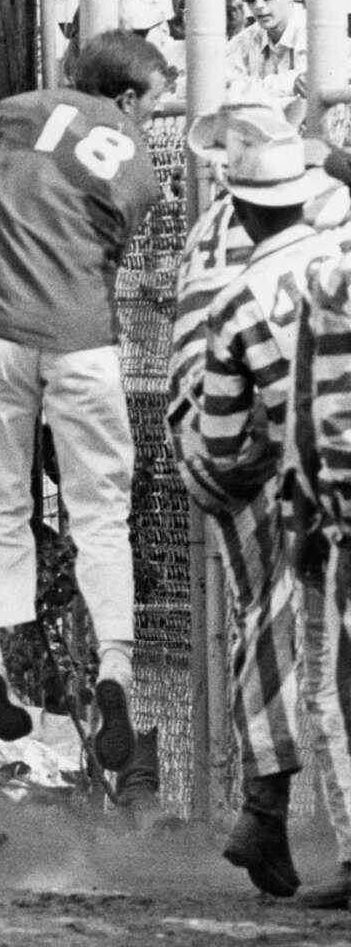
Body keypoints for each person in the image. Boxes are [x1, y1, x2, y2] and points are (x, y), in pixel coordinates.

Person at [0, 29, 168, 773]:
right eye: (148, 106)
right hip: (82, 337)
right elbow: (99, 251)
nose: (146, 120)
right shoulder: (140, 165)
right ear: (124, 98)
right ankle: (115, 669)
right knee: (99, 510)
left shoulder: (17, 110)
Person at [180, 108, 347, 898]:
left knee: (268, 615)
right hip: (320, 457)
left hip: (278, 462)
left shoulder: (225, 274)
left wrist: (261, 467)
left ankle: (265, 800)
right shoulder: (338, 242)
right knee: (322, 659)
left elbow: (215, 446)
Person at [282, 145, 351, 908]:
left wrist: (305, 499)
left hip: (345, 502)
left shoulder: (328, 272)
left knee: (335, 687)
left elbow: (310, 399)